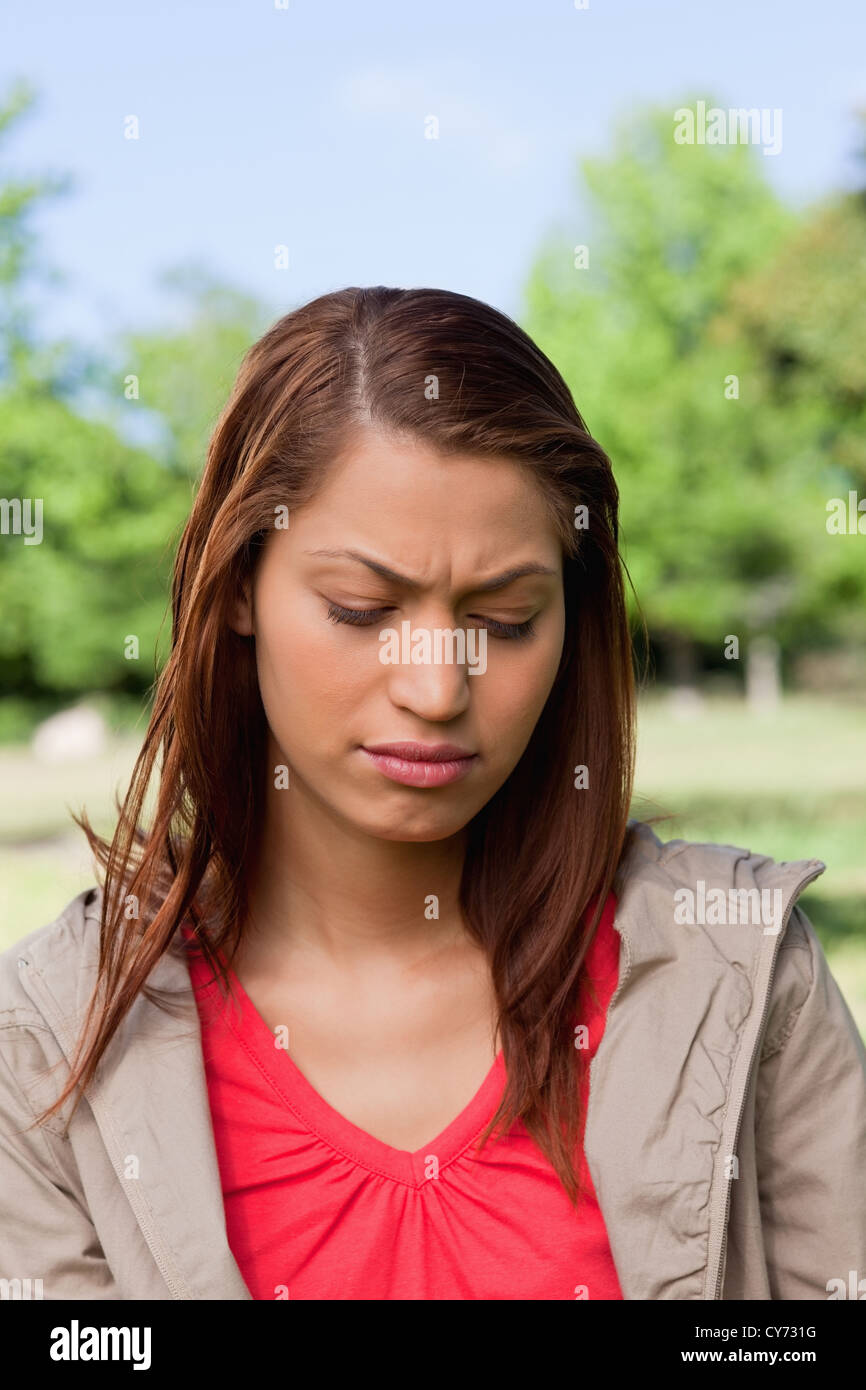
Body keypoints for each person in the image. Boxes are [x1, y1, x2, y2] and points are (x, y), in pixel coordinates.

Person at [1, 286, 864, 1302]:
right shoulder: (49, 1040)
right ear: (237, 586)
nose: (437, 687)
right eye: (361, 610)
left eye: (503, 621)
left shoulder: (742, 971)